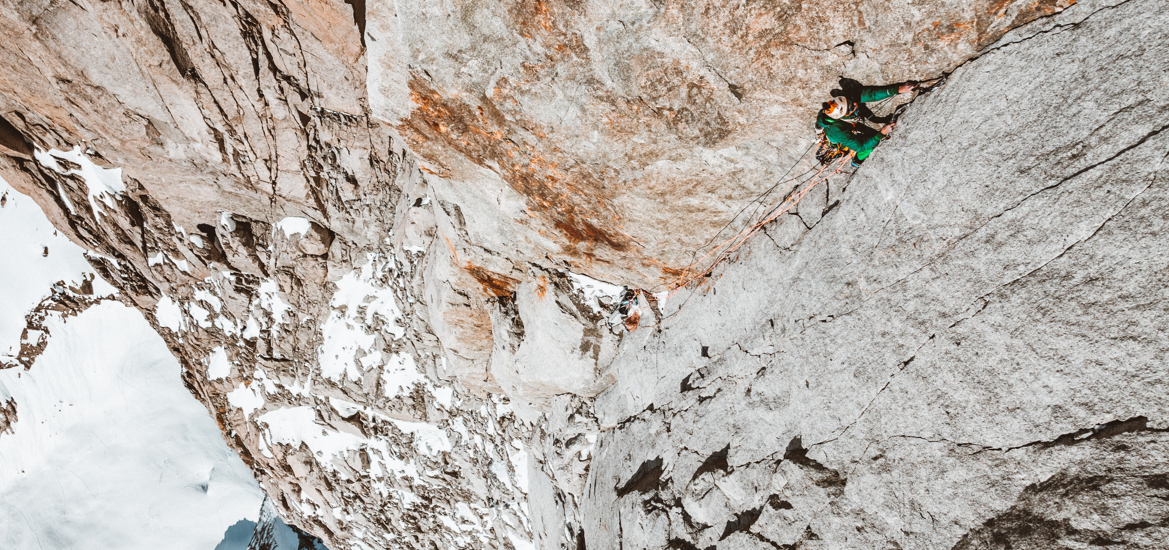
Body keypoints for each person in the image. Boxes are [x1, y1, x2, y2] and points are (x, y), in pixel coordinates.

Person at [816, 82, 916, 164]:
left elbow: (871, 94)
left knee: (872, 135)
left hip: (848, 127)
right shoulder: (839, 132)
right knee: (872, 143)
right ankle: (857, 161)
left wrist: (898, 89)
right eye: (852, 107)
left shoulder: (833, 111)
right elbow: (860, 146)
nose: (855, 103)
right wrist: (881, 134)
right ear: (843, 115)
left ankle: (839, 147)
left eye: (850, 101)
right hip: (840, 134)